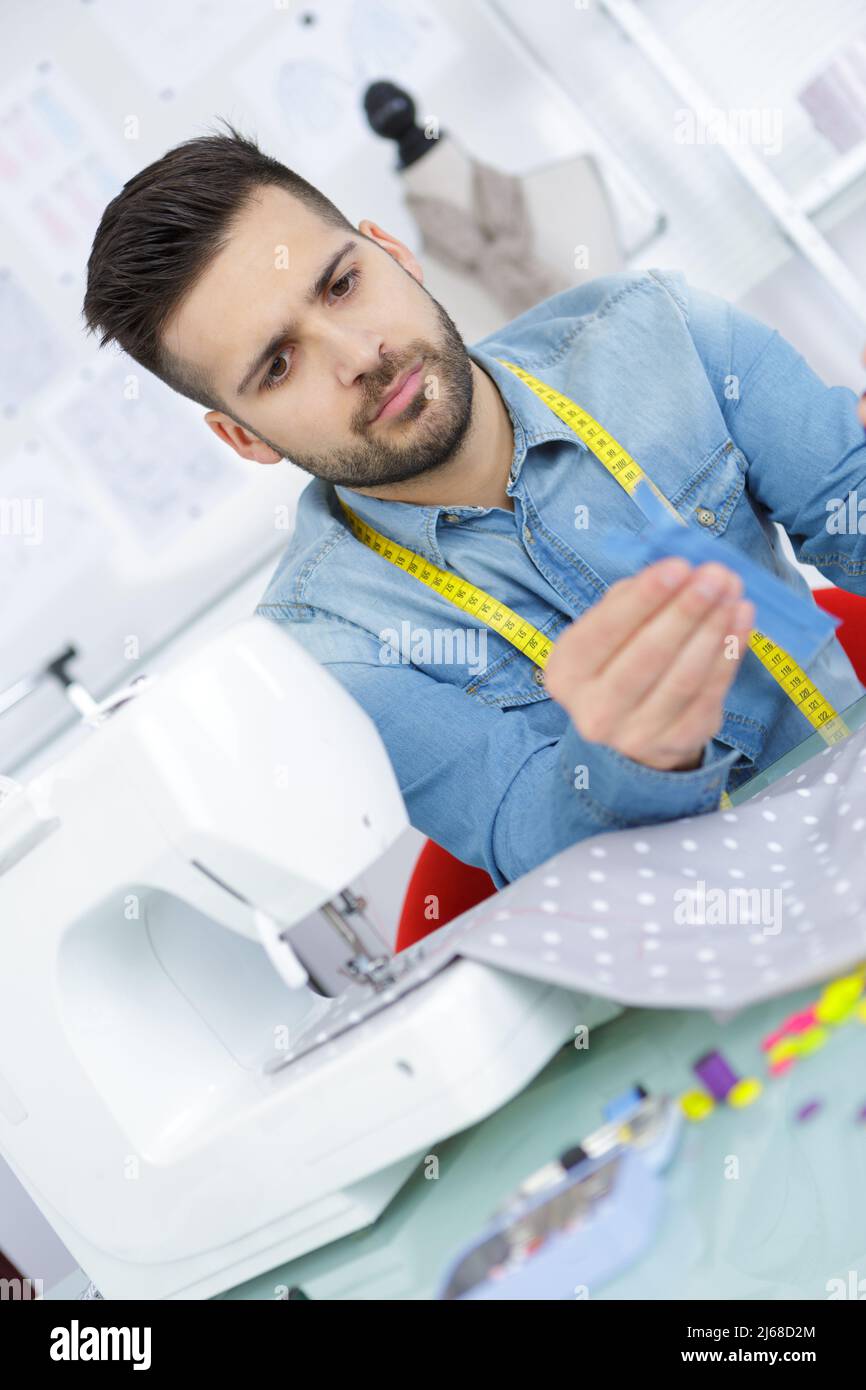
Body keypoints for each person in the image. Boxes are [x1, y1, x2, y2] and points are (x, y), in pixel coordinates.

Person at [82, 122, 866, 889]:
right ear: (242, 437)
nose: (360, 357)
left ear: (391, 251)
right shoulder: (326, 648)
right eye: (280, 365)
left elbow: (848, 512)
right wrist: (629, 761)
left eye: (342, 284)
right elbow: (530, 838)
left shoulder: (657, 329)